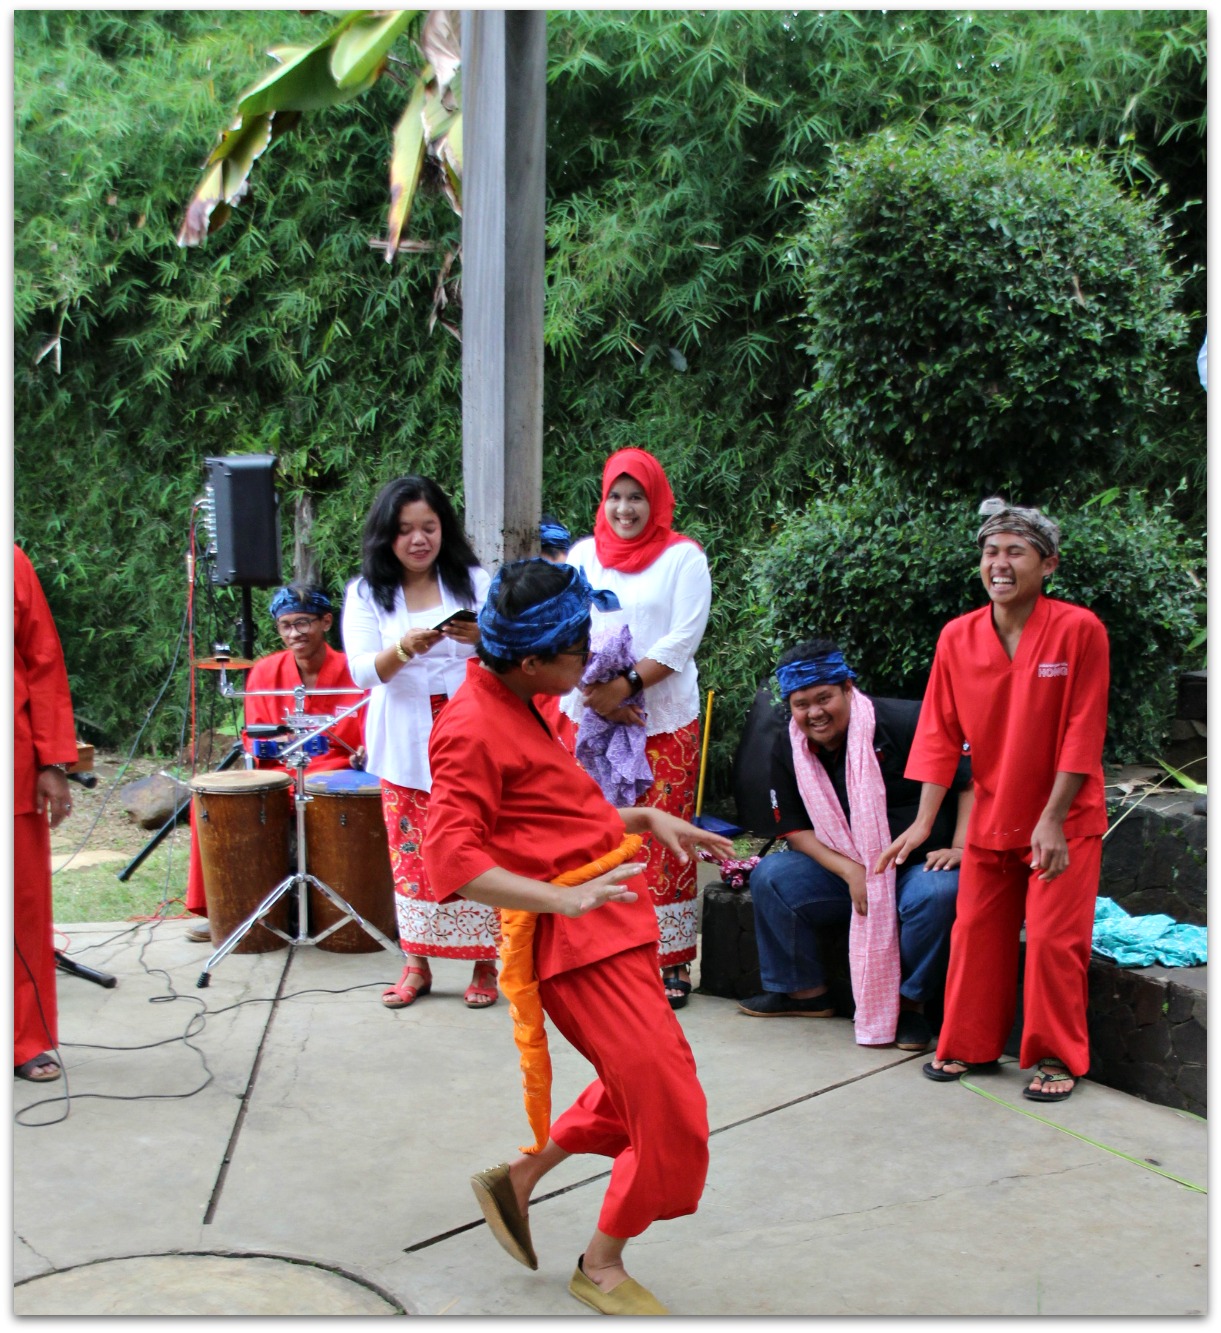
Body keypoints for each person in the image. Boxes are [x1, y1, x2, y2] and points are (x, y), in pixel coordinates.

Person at [422, 558, 734, 1314]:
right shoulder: (470, 727)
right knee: (670, 1110)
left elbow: (557, 816)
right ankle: (600, 1263)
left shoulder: (526, 700)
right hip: (577, 944)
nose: (590, 666)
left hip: (613, 924)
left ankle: (519, 1180)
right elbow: (451, 861)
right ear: (531, 660)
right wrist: (560, 901)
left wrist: (646, 818)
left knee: (649, 1084)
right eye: (576, 654)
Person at [878, 499, 1110, 1102]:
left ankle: (1057, 1057)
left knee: (1057, 942)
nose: (999, 564)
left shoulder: (1079, 629)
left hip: (1063, 822)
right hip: (989, 819)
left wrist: (1054, 820)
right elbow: (937, 733)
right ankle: (968, 1045)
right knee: (975, 933)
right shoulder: (957, 637)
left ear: (1048, 563)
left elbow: (1083, 731)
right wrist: (925, 822)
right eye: (990, 552)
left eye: (1015, 552)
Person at [738, 639, 972, 1054]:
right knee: (772, 876)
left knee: (940, 893)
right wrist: (851, 872)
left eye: (824, 697)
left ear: (848, 689)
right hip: (848, 873)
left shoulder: (904, 721)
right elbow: (792, 827)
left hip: (917, 866)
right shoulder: (788, 746)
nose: (814, 713)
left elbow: (968, 780)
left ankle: (911, 1006)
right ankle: (804, 994)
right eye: (801, 703)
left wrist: (960, 847)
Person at [342, 475, 499, 1010]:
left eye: (428, 527)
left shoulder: (473, 581)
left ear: (443, 530)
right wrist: (404, 649)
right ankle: (417, 965)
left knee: (477, 840)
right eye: (405, 529)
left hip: (471, 730)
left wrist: (482, 636)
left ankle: (485, 962)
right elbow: (363, 671)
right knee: (410, 852)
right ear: (387, 535)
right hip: (404, 736)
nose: (418, 540)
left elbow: (509, 648)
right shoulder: (365, 592)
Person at [563, 448, 712, 1009]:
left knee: (663, 832)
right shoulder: (583, 556)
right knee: (595, 831)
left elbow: (681, 640)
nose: (625, 509)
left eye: (636, 497)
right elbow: (566, 627)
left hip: (662, 719)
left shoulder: (683, 558)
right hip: (590, 717)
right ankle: (603, 948)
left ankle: (670, 961)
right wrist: (595, 695)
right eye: (616, 497)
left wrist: (624, 687)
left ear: (656, 501)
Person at [184, 583, 366, 941]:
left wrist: (363, 752)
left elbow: (370, 731)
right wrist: (274, 745)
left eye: (303, 623)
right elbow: (256, 737)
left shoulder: (356, 670)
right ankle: (227, 909)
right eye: (285, 626)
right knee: (212, 802)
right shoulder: (265, 671)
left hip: (337, 772)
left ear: (326, 621)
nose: (295, 633)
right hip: (279, 770)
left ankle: (348, 909)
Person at [14, 544, 78, 1082]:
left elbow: (43, 663)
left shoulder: (10, 561)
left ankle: (25, 1040)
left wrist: (53, 760)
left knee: (22, 912)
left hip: (12, 765)